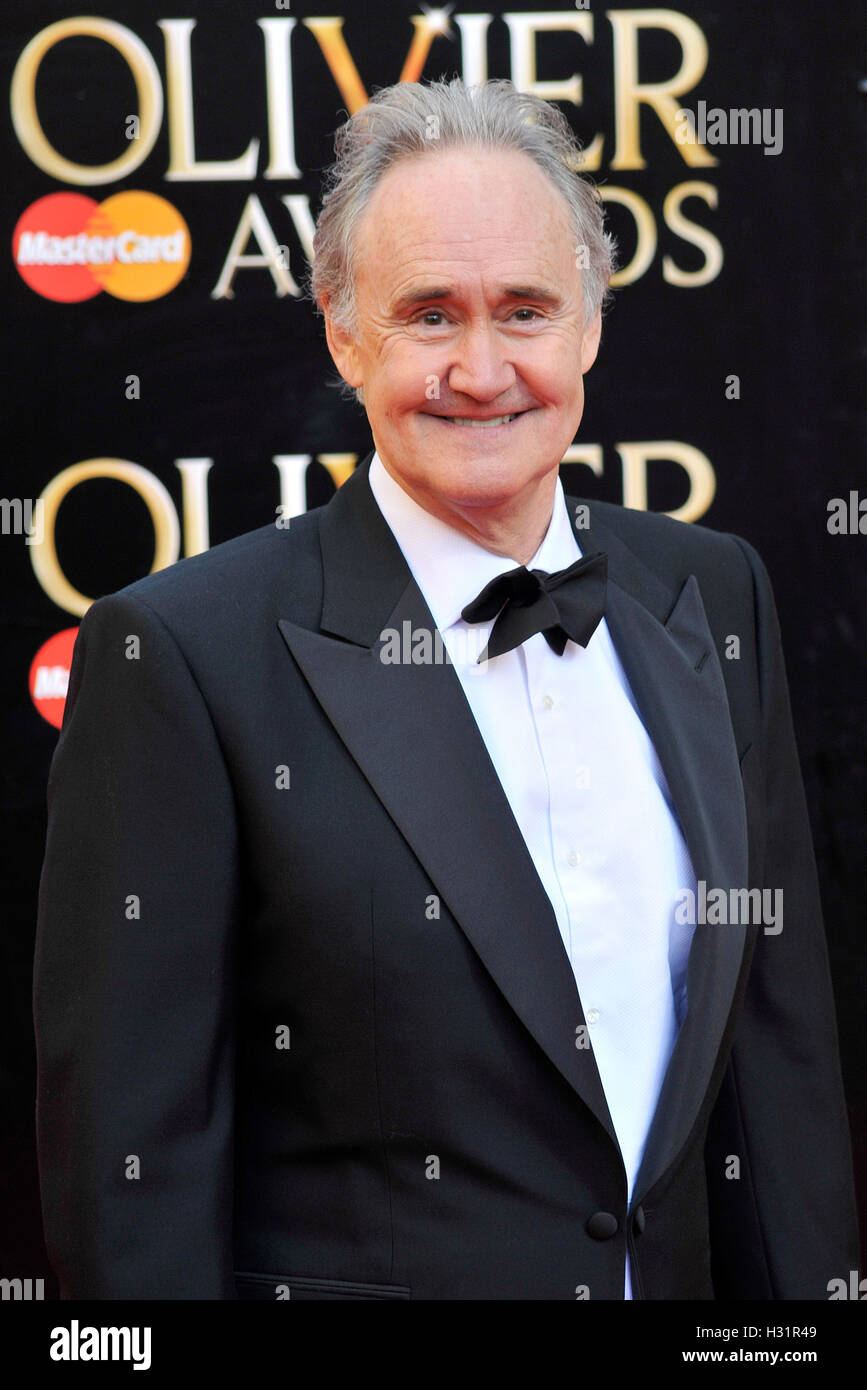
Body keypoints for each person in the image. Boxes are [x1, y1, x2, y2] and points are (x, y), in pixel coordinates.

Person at [34, 76, 858, 1300]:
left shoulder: (711, 594)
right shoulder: (182, 657)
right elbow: (134, 1173)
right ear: (342, 330)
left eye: (526, 309)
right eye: (430, 315)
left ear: (589, 324)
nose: (483, 369)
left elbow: (777, 1072)